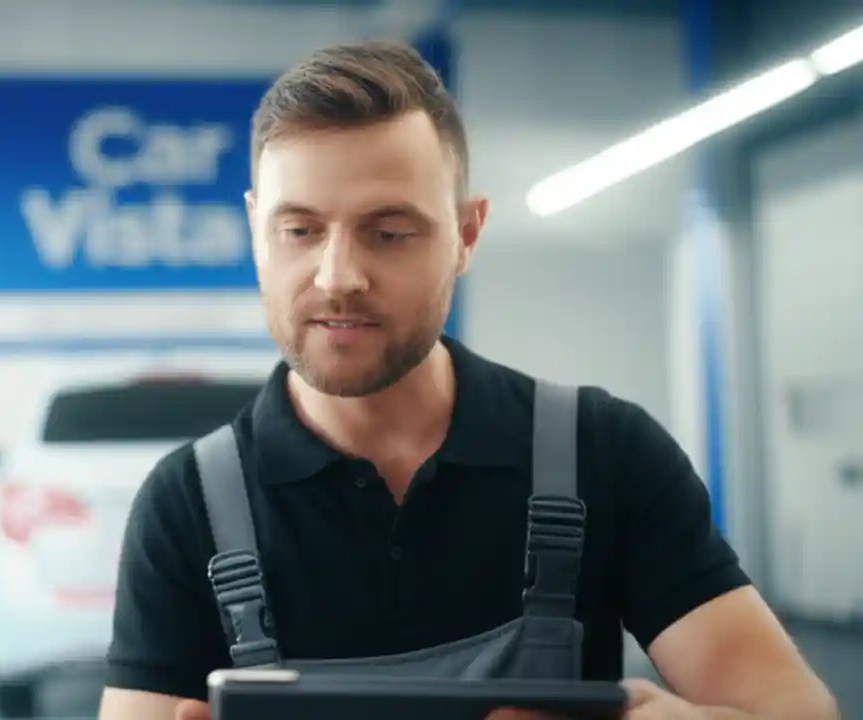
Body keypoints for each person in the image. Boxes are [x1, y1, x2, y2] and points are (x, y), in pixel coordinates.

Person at [97, 41, 839, 720]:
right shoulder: (186, 506)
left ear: (467, 235)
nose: (338, 276)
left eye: (389, 232)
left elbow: (796, 712)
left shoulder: (604, 455)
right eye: (301, 231)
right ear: (258, 231)